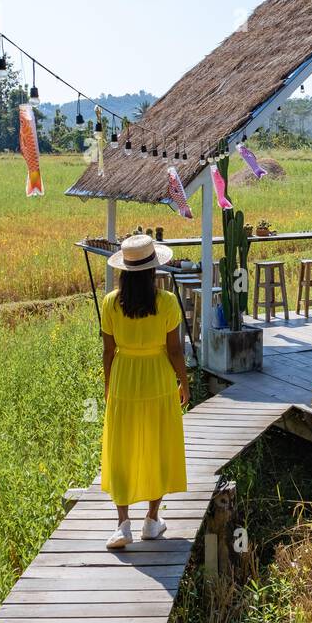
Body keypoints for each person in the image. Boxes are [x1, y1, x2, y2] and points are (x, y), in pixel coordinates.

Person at [100, 234, 189, 549]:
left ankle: (122, 524)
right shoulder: (165, 302)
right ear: (153, 270)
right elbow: (175, 350)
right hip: (158, 379)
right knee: (158, 445)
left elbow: (108, 351)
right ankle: (152, 520)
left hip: (125, 378)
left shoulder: (111, 302)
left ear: (124, 271)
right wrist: (185, 383)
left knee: (121, 449)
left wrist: (109, 386)